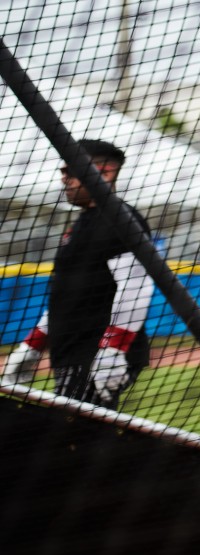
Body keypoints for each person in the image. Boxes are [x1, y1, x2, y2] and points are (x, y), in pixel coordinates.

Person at [1, 140, 153, 409]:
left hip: (94, 355)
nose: (64, 179)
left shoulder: (119, 219)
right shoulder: (86, 220)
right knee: (78, 430)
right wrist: (32, 345)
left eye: (70, 172)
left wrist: (113, 350)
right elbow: (68, 294)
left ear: (105, 173)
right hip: (74, 352)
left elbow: (135, 288)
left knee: (74, 431)